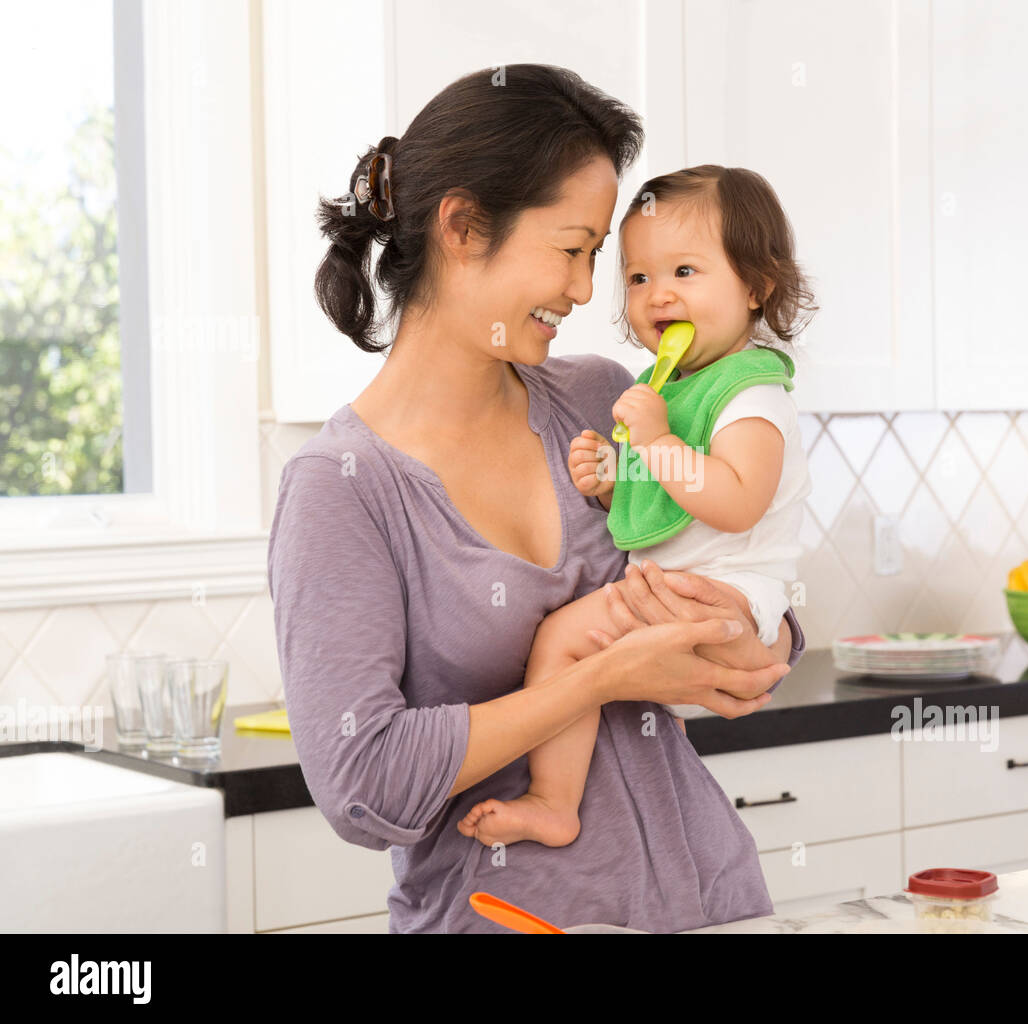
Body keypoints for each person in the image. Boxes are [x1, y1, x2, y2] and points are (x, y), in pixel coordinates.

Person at [267, 65, 807, 934]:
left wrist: (759, 633)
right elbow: (362, 784)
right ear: (463, 226)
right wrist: (607, 673)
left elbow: (730, 554)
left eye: (597, 255)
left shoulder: (601, 398)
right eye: (571, 249)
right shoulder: (341, 491)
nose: (589, 290)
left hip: (713, 898)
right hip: (509, 916)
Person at [457, 165, 816, 849]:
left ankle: (553, 802)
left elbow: (736, 502)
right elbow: (667, 503)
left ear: (756, 287)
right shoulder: (669, 387)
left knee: (563, 640)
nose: (657, 295)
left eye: (685, 270)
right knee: (611, 669)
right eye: (639, 277)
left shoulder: (752, 397)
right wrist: (611, 482)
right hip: (689, 592)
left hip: (729, 598)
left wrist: (651, 440)